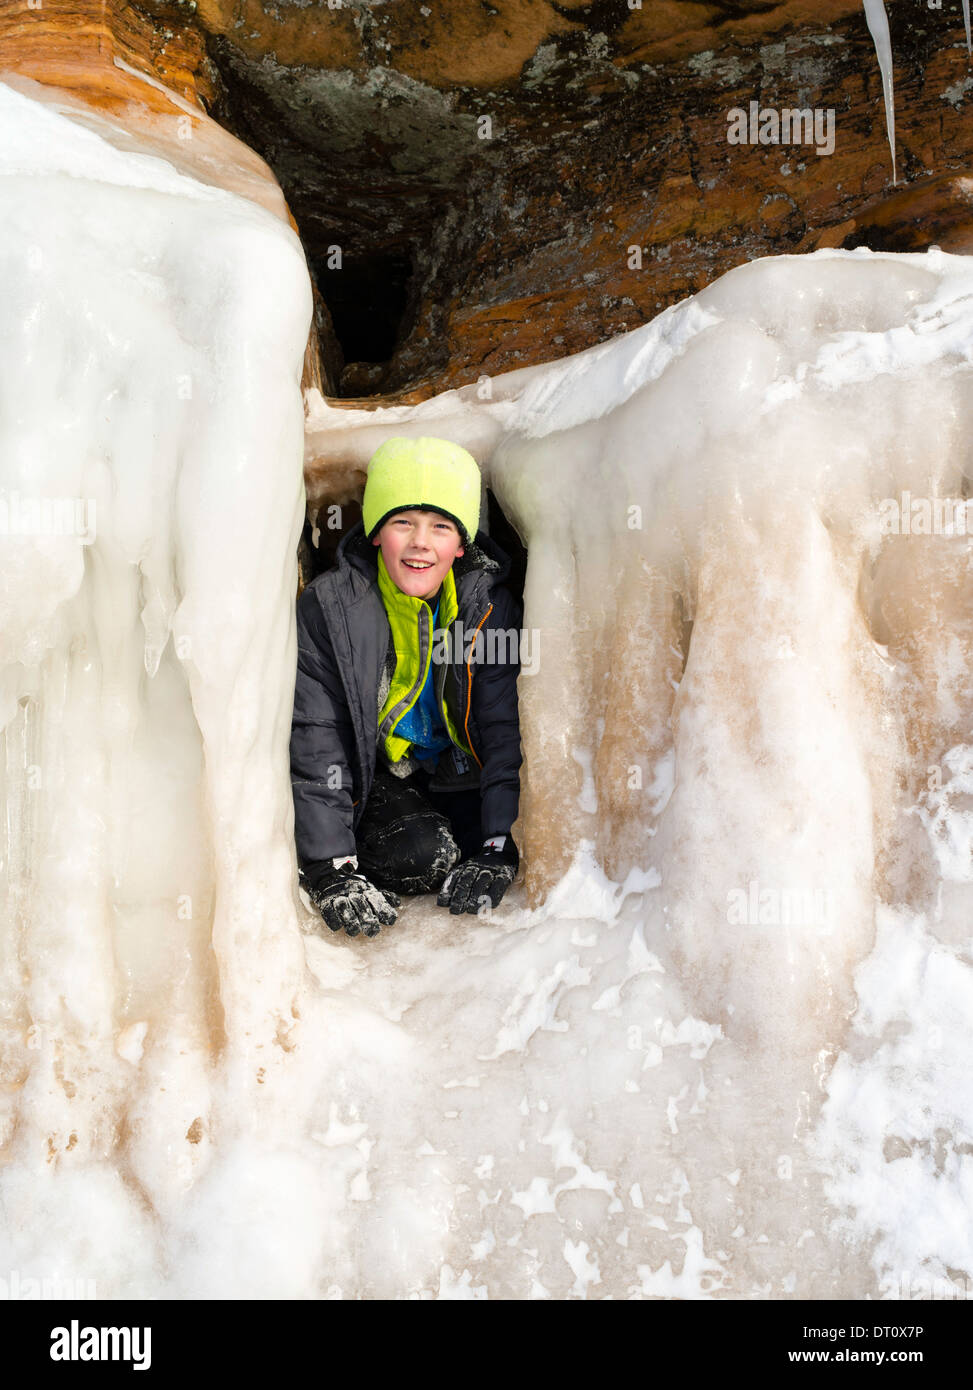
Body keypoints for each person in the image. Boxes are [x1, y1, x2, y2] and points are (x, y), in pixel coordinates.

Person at [290, 435, 523, 938]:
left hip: (457, 771)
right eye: (403, 523)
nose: (421, 543)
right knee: (423, 855)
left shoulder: (487, 607)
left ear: (462, 545)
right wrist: (332, 867)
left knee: (481, 837)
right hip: (379, 776)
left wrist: (500, 841)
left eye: (441, 527)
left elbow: (503, 726)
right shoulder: (334, 609)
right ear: (375, 533)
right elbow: (318, 736)